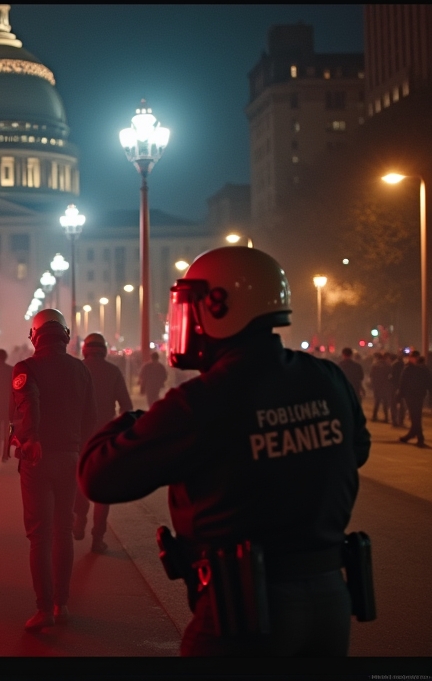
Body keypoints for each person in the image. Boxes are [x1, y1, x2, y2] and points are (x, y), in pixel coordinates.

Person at [80, 246, 370, 656]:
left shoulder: (200, 402)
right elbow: (356, 450)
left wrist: (130, 422)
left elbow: (99, 476)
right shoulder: (326, 377)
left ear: (219, 308)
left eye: (189, 309)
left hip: (242, 612)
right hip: (328, 601)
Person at [12, 309, 97, 631]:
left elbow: (28, 401)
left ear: (34, 336)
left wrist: (31, 437)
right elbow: (92, 418)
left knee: (39, 537)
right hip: (72, 458)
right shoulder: (81, 370)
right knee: (63, 532)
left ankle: (44, 608)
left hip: (37, 459)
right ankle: (63, 605)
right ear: (66, 336)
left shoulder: (26, 368)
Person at [71, 333, 132, 554]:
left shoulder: (76, 370)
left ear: (85, 350)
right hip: (105, 439)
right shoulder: (113, 372)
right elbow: (127, 407)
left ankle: (78, 521)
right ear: (104, 350)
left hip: (78, 437)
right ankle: (98, 539)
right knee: (102, 488)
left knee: (79, 480)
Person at [397, 351, 429, 447]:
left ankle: (419, 438)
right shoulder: (424, 369)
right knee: (416, 416)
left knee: (415, 417)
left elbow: (402, 384)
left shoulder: (408, 369)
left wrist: (399, 396)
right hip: (419, 395)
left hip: (411, 396)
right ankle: (412, 435)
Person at [370, 352, 392, 423]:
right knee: (385, 402)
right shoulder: (388, 365)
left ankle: (374, 416)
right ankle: (386, 418)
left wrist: (373, 385)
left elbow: (371, 376)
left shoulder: (375, 365)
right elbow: (390, 375)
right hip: (385, 386)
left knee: (377, 402)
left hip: (377, 386)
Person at [389, 352, 408, 427]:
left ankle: (394, 421)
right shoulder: (405, 365)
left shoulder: (394, 364)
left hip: (394, 387)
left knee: (394, 404)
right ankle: (400, 421)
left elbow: (391, 376)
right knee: (402, 405)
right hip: (402, 387)